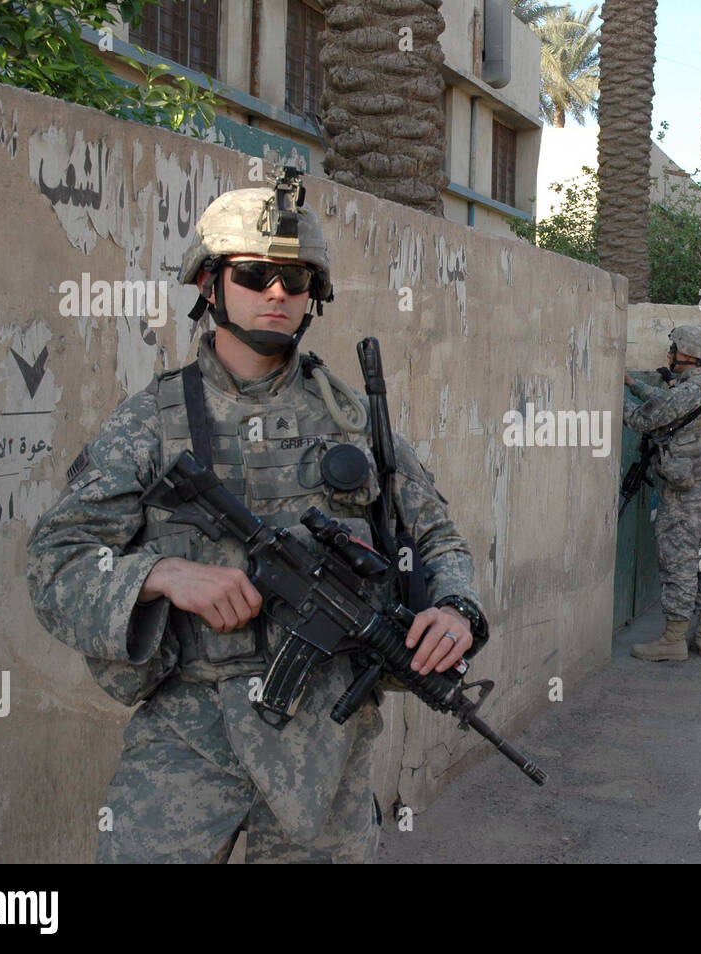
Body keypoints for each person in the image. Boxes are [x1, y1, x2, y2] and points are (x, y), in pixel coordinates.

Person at [26, 169, 488, 862]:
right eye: (253, 274)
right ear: (210, 285)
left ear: (314, 299)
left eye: (295, 280)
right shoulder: (152, 424)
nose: (276, 292)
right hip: (187, 740)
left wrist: (456, 611)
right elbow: (55, 563)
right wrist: (162, 575)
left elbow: (438, 538)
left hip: (326, 747)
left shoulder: (354, 423)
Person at [623, 325, 701, 661]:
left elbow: (645, 420)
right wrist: (635, 385)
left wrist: (616, 394)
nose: (669, 354)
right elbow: (670, 404)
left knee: (679, 563)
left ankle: (673, 640)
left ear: (686, 355)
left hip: (687, 497)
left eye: (673, 349)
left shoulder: (690, 393)